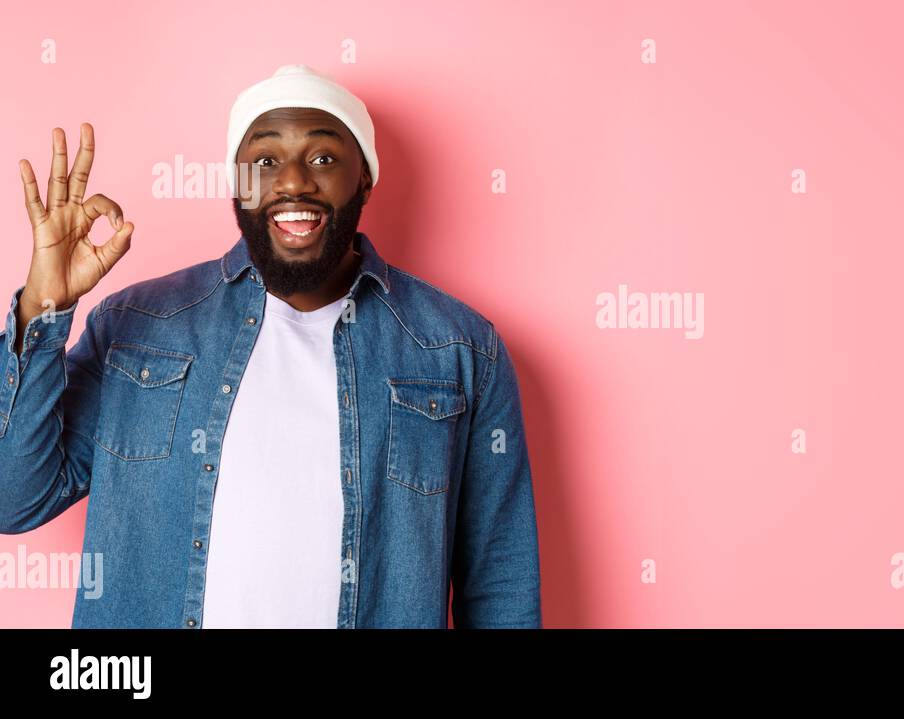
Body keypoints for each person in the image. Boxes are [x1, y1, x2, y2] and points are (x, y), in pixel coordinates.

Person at [0, 64, 542, 628]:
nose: (293, 181)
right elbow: (14, 499)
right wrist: (43, 308)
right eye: (264, 161)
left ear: (365, 180)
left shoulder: (459, 349)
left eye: (325, 158)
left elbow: (500, 585)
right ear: (237, 182)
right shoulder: (137, 326)